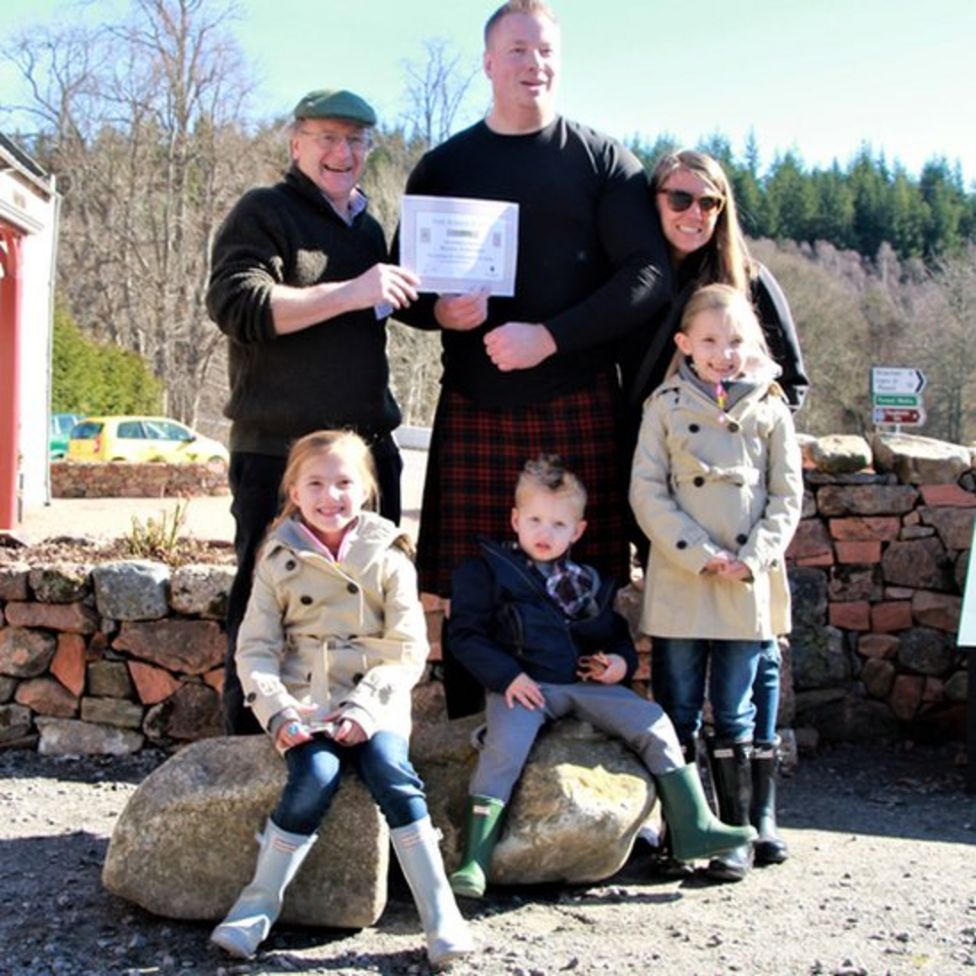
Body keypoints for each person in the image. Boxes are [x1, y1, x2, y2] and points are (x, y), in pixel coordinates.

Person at [395, 0, 670, 717]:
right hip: (476, 403)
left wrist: (550, 335)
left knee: (587, 583)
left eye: (545, 51)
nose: (533, 64)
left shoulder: (604, 161)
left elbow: (647, 274)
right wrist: (439, 311)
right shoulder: (446, 165)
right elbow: (407, 287)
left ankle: (581, 765)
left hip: (578, 397)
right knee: (468, 588)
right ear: (488, 62)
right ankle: (469, 748)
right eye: (517, 51)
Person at [210, 431, 473, 967]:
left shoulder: (389, 552)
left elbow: (406, 646)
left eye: (345, 482)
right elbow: (255, 649)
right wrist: (279, 710)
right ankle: (256, 906)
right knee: (315, 778)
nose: (332, 496)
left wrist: (366, 707)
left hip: (376, 696)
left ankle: (440, 912)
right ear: (295, 490)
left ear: (368, 488)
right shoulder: (277, 554)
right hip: (307, 698)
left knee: (392, 774)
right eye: (316, 484)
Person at [207, 88, 420, 735]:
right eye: (326, 137)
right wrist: (351, 291)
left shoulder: (367, 227)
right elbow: (238, 307)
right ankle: (250, 759)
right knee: (264, 612)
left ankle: (361, 750)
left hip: (365, 459)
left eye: (355, 141)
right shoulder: (263, 212)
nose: (341, 152)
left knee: (368, 611)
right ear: (295, 143)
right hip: (278, 454)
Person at [446, 455, 755, 898]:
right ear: (515, 520)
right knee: (504, 748)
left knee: (653, 722)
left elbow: (615, 635)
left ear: (578, 531)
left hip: (583, 685)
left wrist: (619, 664)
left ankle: (694, 825)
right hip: (524, 686)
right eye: (534, 520)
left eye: (557, 524)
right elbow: (466, 636)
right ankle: (475, 858)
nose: (544, 533)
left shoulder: (587, 582)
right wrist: (508, 677)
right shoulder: (488, 573)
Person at [620, 150, 809, 867]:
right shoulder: (638, 275)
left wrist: (753, 550)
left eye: (709, 202)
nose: (694, 213)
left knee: (745, 683)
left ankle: (747, 824)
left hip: (745, 538)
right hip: (672, 520)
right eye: (679, 199)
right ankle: (682, 824)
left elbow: (792, 387)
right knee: (677, 693)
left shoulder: (752, 282)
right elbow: (648, 471)